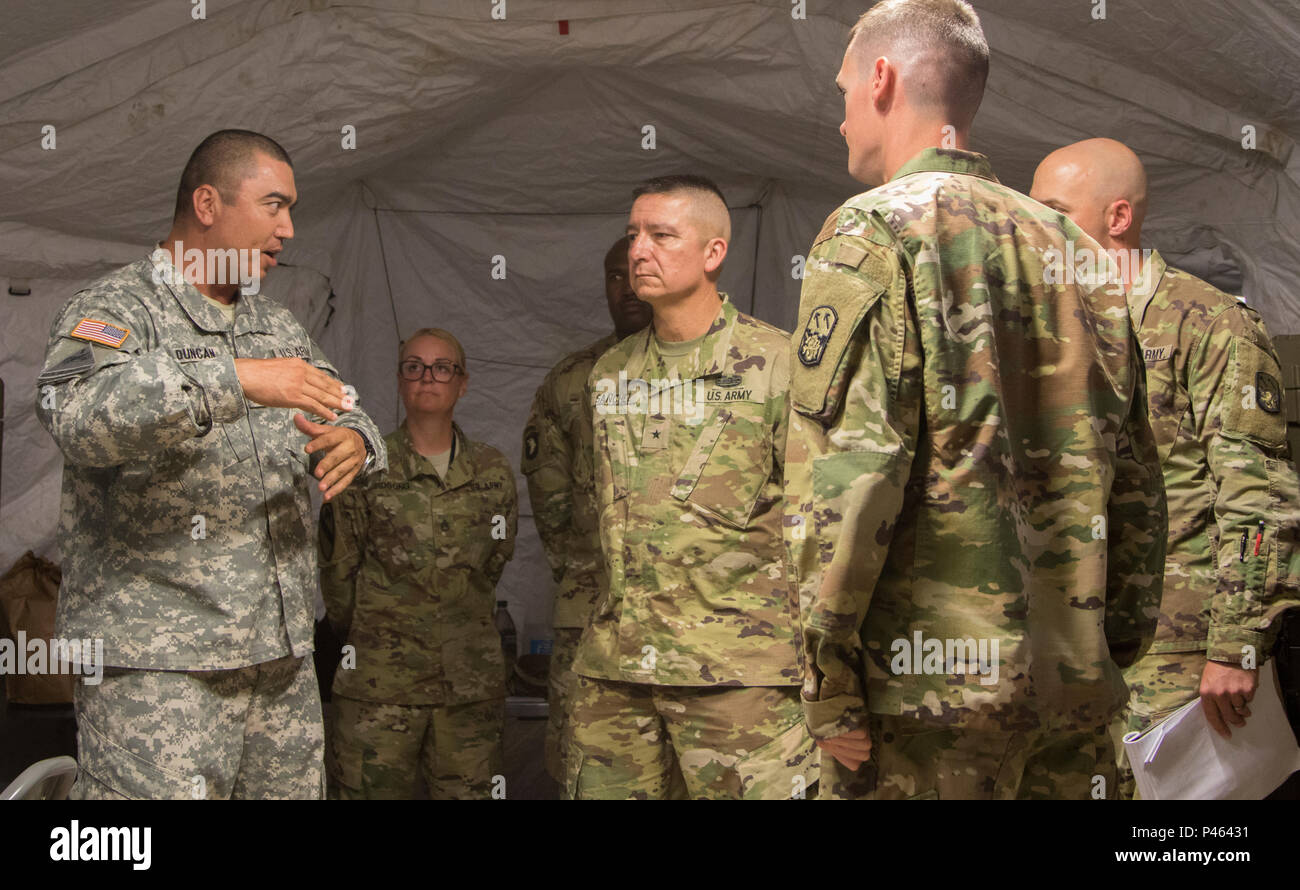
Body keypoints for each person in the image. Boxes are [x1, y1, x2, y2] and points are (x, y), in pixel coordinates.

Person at [783, 0, 1167, 800]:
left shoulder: (873, 232)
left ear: (882, 79)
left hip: (926, 702)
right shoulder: (1082, 254)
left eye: (846, 89)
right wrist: (1109, 647)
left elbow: (850, 480)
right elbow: (1135, 481)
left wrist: (826, 681)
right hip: (1071, 689)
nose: (843, 116)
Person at [35, 129, 386, 799]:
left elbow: (346, 405)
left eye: (291, 210)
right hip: (159, 671)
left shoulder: (277, 327)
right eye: (274, 205)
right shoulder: (111, 312)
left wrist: (358, 441)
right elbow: (72, 414)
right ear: (206, 203)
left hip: (279, 663)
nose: (287, 229)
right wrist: (233, 379)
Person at [1030, 138, 1300, 794]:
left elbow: (1257, 492)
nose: (1035, 232)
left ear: (1116, 219)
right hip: (1074, 652)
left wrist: (1236, 642)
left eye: (1053, 212)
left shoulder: (1207, 325)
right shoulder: (1052, 337)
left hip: (1180, 652)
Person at [567, 174, 818, 800]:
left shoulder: (777, 365)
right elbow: (591, 511)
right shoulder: (610, 374)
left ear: (713, 253)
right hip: (618, 670)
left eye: (661, 235)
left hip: (738, 676)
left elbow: (819, 525)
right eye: (633, 236)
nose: (639, 252)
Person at [319, 327, 518, 799]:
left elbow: (493, 564)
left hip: (467, 691)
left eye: (442, 367)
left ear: (462, 382)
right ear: (400, 380)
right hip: (378, 689)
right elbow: (338, 574)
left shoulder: (492, 472)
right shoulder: (364, 465)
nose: (427, 377)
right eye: (414, 366)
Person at [521, 235, 651, 785]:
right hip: (591, 606)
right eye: (612, 276)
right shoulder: (573, 379)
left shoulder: (721, 368)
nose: (625, 287)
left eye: (634, 272)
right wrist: (581, 572)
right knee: (585, 758)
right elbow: (548, 498)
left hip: (701, 617)